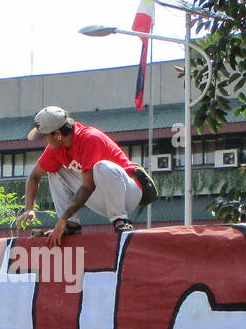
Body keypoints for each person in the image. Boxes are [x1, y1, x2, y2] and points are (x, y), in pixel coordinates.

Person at [14, 105, 152, 245]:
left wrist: (62, 218)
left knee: (102, 167)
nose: (45, 140)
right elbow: (34, 176)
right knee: (54, 171)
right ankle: (71, 224)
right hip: (103, 198)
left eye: (45, 136)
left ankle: (121, 220)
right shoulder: (56, 148)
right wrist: (29, 209)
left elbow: (88, 186)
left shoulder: (89, 138)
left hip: (128, 194)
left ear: (57, 134)